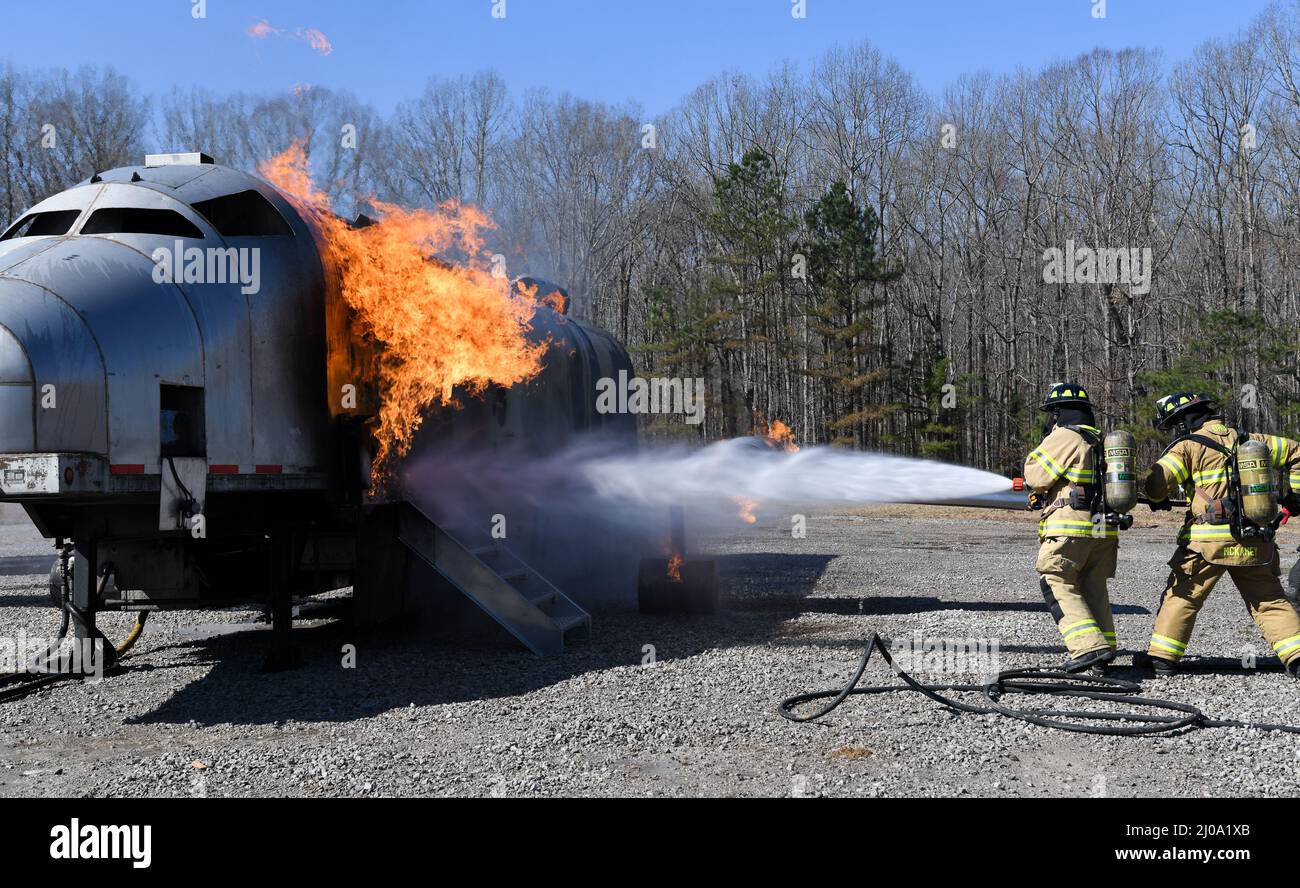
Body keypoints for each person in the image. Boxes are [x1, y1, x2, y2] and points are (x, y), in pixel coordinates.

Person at [1142, 392, 1300, 677]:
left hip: (1208, 542)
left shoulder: (1187, 446)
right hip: (1254, 536)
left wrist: (1155, 495)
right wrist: (1295, 498)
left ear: (1181, 422)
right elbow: (1297, 453)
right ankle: (1297, 656)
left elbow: (1157, 485)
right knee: (1270, 602)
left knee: (1183, 597)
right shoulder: (1254, 440)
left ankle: (1162, 659)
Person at [1024, 382, 1117, 672]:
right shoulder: (1101, 439)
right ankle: (1104, 650)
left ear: (1059, 412)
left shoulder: (1066, 435)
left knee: (1055, 577)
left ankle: (1088, 648)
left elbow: (1036, 476)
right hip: (1103, 527)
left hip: (1071, 525)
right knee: (1092, 586)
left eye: (1053, 414)